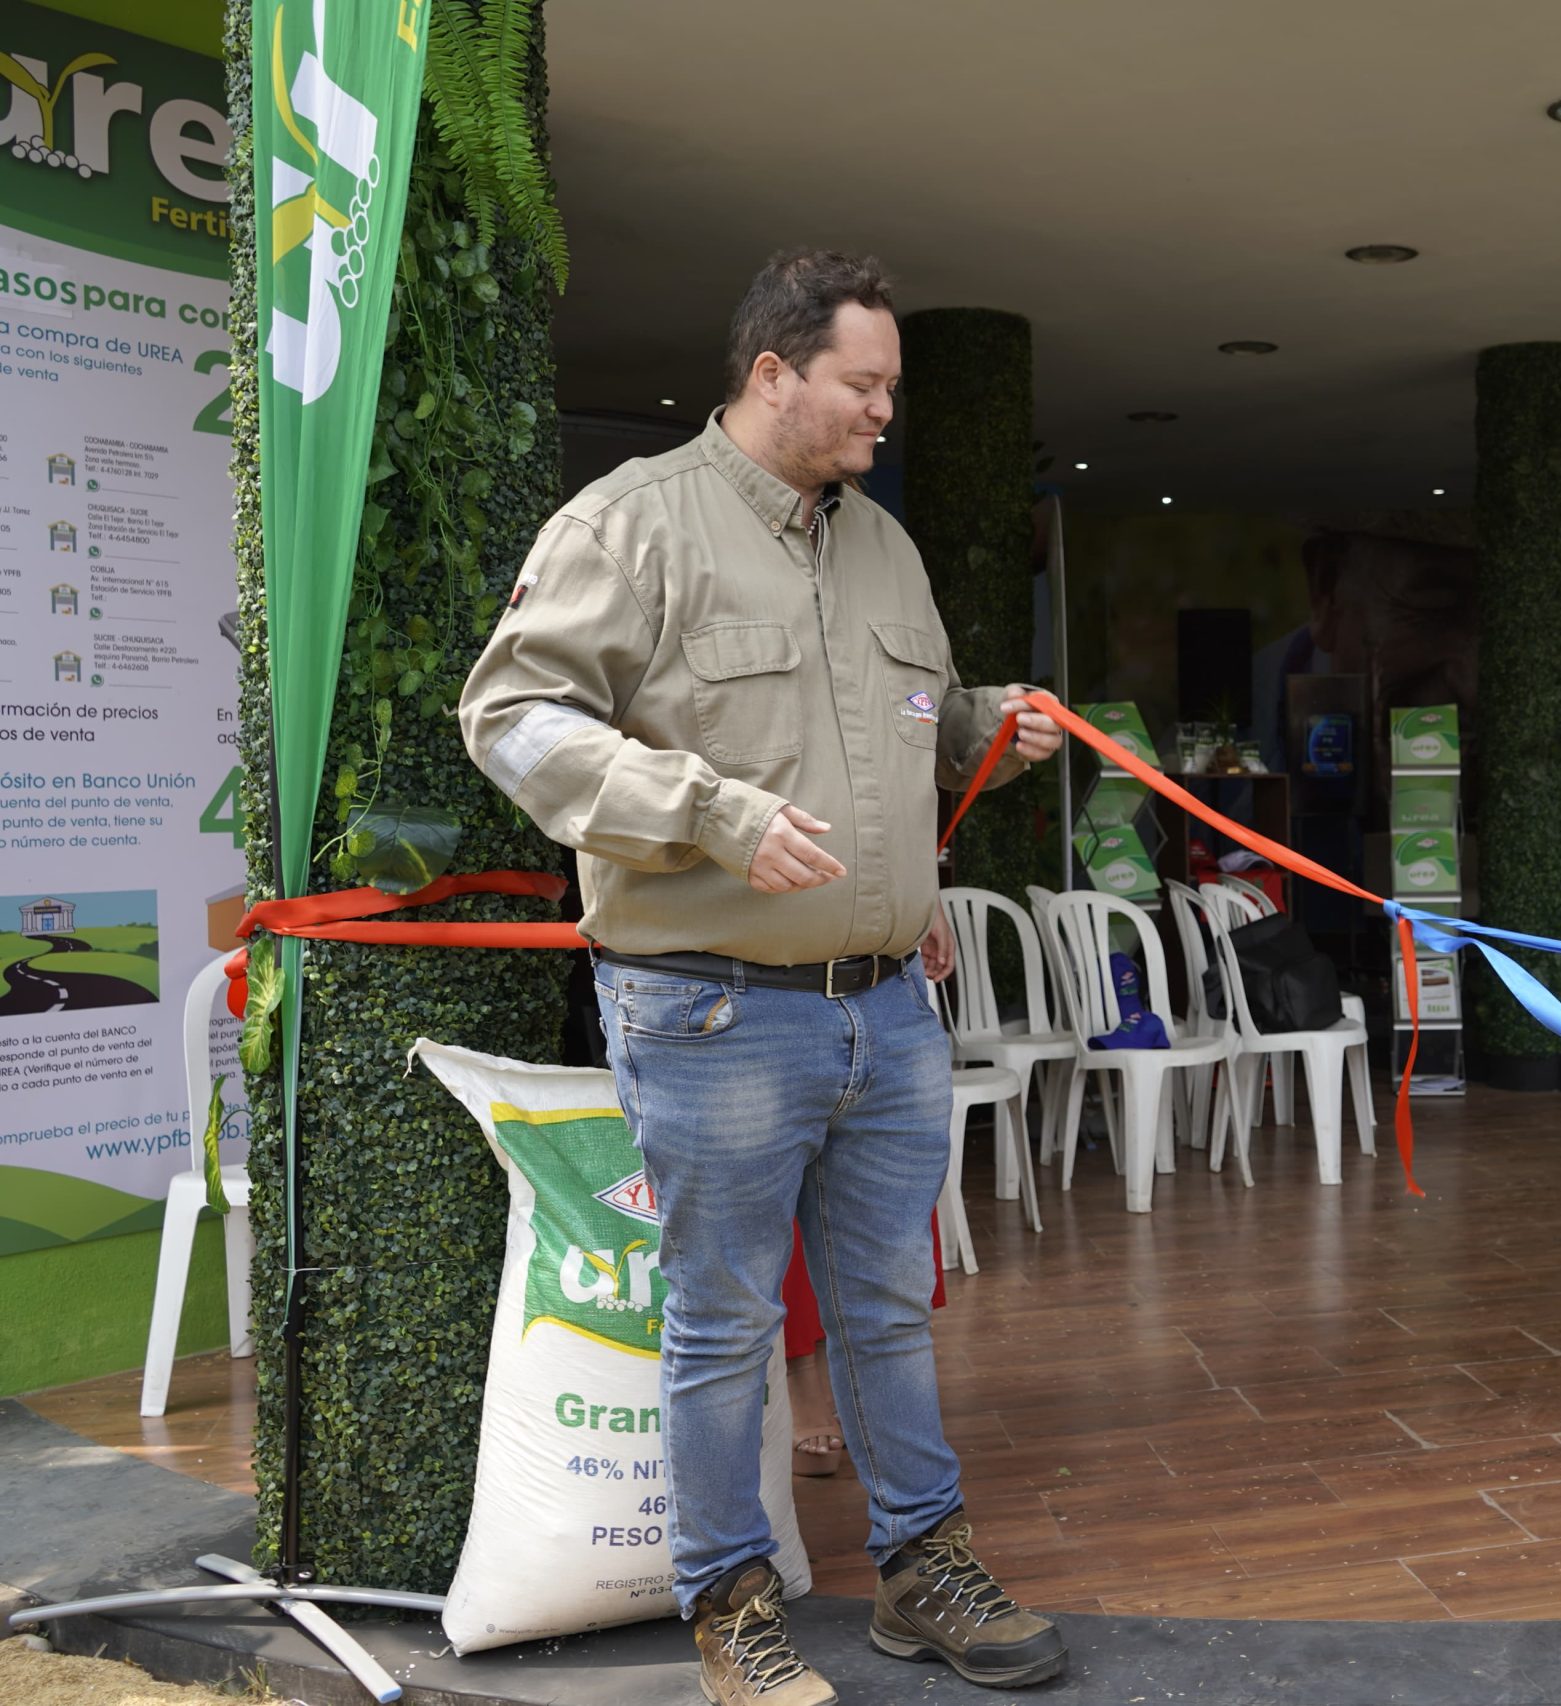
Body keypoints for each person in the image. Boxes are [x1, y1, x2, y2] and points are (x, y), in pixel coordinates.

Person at [459, 248, 1069, 1703]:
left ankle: (922, 1569)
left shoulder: (886, 546)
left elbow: (909, 728)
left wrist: (990, 720)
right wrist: (705, 808)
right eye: (864, 384)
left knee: (888, 1306)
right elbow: (513, 719)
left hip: (889, 1007)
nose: (884, 413)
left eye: (893, 389)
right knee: (723, 1325)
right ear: (773, 372)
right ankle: (728, 1605)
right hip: (710, 1009)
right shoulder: (631, 524)